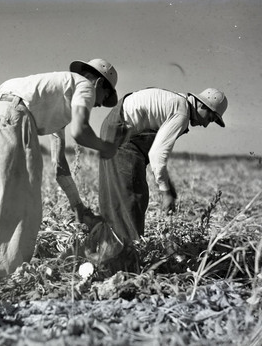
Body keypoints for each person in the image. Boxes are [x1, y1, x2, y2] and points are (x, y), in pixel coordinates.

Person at [0, 58, 120, 281]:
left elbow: (60, 165)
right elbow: (81, 131)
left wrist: (78, 206)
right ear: (100, 84)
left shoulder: (59, 94)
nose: (98, 105)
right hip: (17, 119)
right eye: (103, 99)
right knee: (24, 208)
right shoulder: (84, 85)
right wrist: (107, 147)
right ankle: (8, 280)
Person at [85, 87, 228, 269]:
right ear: (201, 105)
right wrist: (166, 191)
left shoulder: (177, 102)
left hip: (115, 127)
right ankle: (125, 261)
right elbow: (157, 155)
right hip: (122, 134)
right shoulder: (181, 113)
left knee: (114, 196)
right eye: (209, 118)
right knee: (131, 198)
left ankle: (105, 253)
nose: (207, 124)